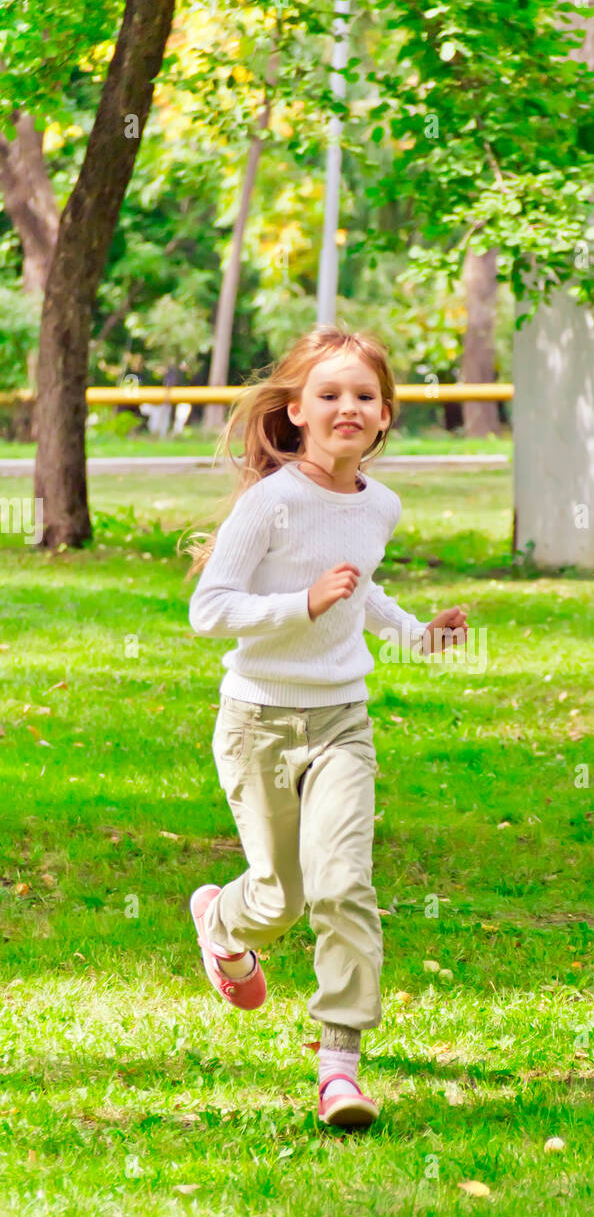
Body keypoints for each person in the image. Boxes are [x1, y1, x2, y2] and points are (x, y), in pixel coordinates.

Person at [182, 326, 468, 1128]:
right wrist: (296, 604)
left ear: (385, 419)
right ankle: (220, 919)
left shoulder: (381, 505)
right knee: (277, 899)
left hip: (343, 719)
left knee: (344, 887)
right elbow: (210, 610)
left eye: (365, 397)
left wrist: (417, 635)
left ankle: (339, 1065)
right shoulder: (269, 502)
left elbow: (363, 591)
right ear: (297, 412)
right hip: (258, 724)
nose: (349, 407)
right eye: (331, 394)